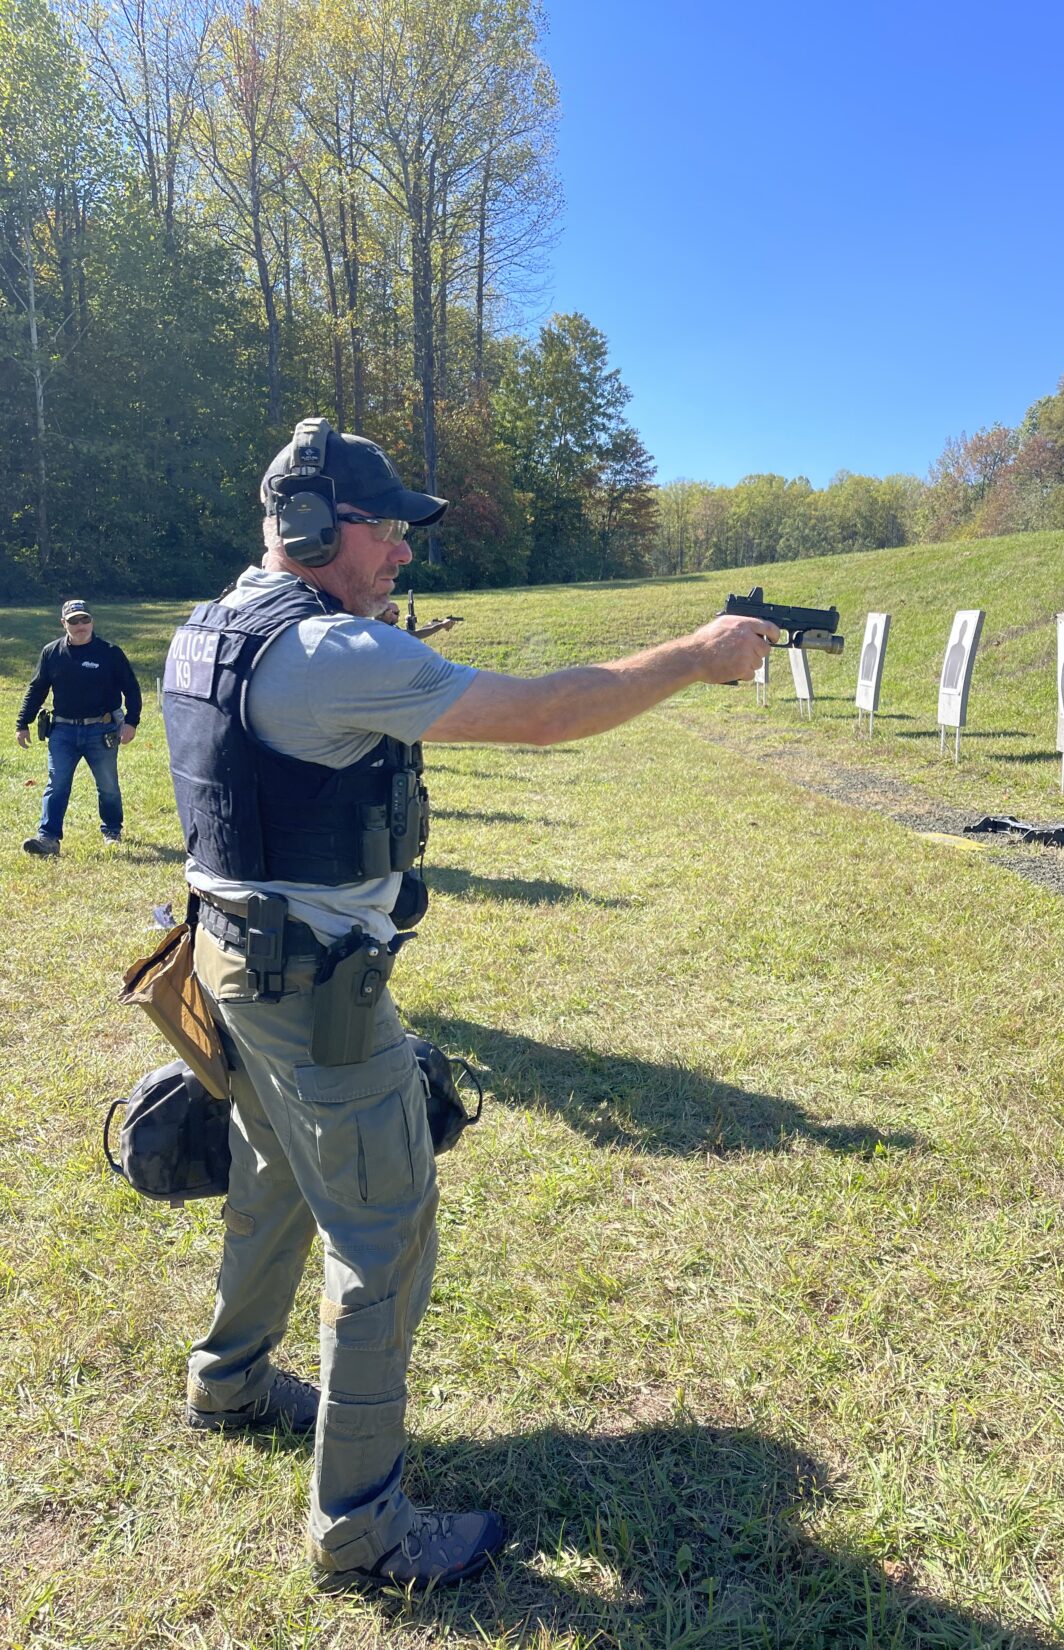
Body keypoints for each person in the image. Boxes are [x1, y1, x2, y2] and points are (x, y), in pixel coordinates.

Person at [161, 417, 775, 1596]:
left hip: (233, 965)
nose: (401, 554)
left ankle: (228, 1382)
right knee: (382, 1236)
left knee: (272, 1184)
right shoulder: (331, 654)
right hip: (315, 990)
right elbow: (545, 713)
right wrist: (697, 655)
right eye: (384, 530)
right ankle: (361, 1531)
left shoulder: (215, 626)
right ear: (308, 527)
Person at [15, 599, 142, 855]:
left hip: (102, 729)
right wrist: (22, 722)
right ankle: (48, 838)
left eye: (85, 619)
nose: (81, 625)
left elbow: (132, 688)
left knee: (108, 785)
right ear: (64, 623)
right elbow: (37, 689)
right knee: (57, 783)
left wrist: (131, 721)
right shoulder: (52, 653)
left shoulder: (110, 652)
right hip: (62, 731)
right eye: (74, 621)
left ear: (92, 621)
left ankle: (112, 831)